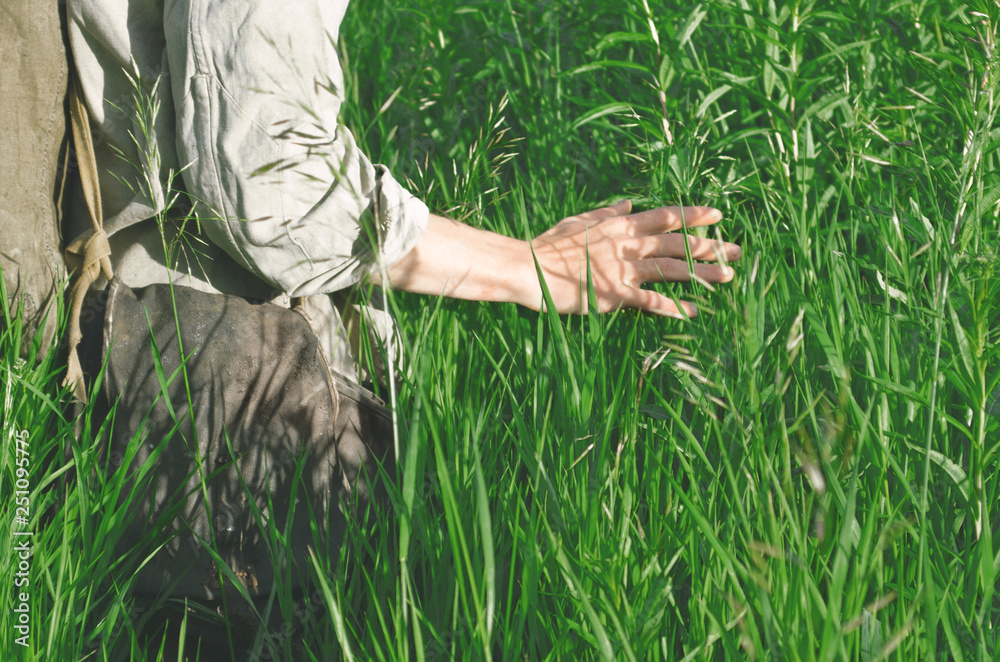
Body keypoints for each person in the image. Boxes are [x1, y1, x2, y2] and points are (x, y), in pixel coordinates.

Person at [64, 0, 741, 655]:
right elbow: (269, 193)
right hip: (184, 377)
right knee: (442, 574)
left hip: (158, 344)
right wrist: (530, 268)